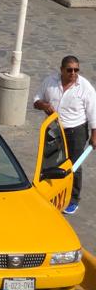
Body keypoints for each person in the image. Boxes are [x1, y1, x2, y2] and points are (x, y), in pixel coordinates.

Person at [34, 55, 96, 214]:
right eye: (69, 70)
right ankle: (52, 192)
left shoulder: (85, 87)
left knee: (74, 165)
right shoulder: (50, 82)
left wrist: (94, 134)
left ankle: (73, 199)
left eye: (76, 70)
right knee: (51, 162)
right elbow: (36, 100)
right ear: (61, 70)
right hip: (55, 131)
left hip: (76, 131)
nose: (73, 73)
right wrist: (43, 105)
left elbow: (93, 113)